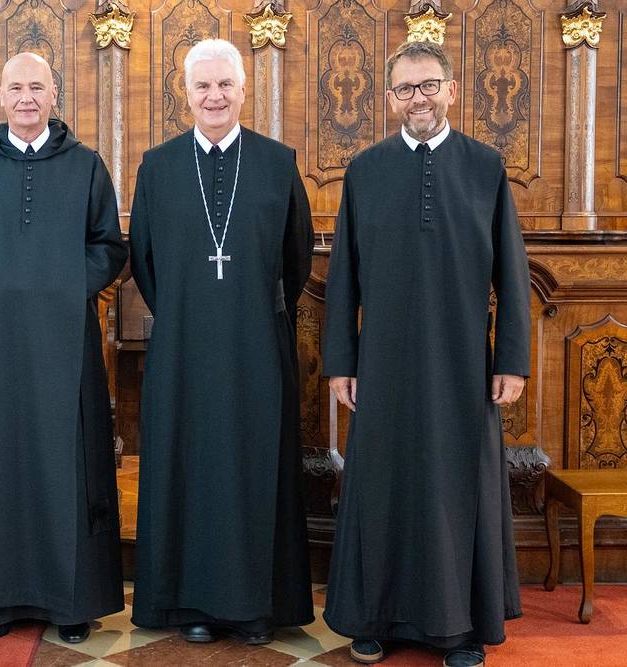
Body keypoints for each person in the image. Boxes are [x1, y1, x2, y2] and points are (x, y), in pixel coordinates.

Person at [321, 40, 530, 667]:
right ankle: (374, 616)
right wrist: (341, 363)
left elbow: (514, 276)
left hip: (464, 365)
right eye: (407, 89)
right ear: (389, 99)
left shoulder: (486, 166)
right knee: (382, 486)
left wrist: (511, 360)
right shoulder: (364, 170)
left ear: (453, 90)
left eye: (430, 85)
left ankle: (460, 629)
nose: (420, 98)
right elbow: (344, 279)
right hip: (382, 365)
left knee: (455, 488)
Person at [0, 52, 126, 644]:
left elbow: (108, 247)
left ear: (54, 96)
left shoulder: (86, 166)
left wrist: (58, 288)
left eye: (38, 87)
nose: (27, 97)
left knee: (67, 462)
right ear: (1, 97)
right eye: (17, 87)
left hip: (66, 341)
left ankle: (71, 602)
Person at [128, 38, 315, 645]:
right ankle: (193, 607)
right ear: (186, 94)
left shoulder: (278, 163)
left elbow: (295, 261)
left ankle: (257, 608)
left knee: (255, 469)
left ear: (242, 90)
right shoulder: (156, 167)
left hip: (258, 348)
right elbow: (146, 263)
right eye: (202, 86)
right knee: (189, 471)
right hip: (182, 353)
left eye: (225, 85)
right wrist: (188, 311)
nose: (214, 96)